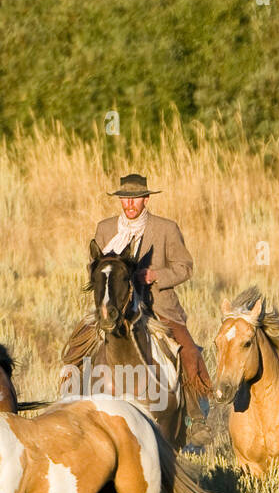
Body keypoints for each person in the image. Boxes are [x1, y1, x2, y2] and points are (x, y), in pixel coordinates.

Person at [88, 173, 212, 418]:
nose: (129, 205)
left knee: (187, 352)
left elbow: (184, 267)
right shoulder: (104, 229)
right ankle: (71, 402)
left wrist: (155, 275)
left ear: (146, 199)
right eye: (125, 199)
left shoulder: (166, 229)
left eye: (135, 199)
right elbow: (93, 266)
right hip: (115, 305)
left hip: (159, 308)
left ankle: (196, 418)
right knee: (76, 348)